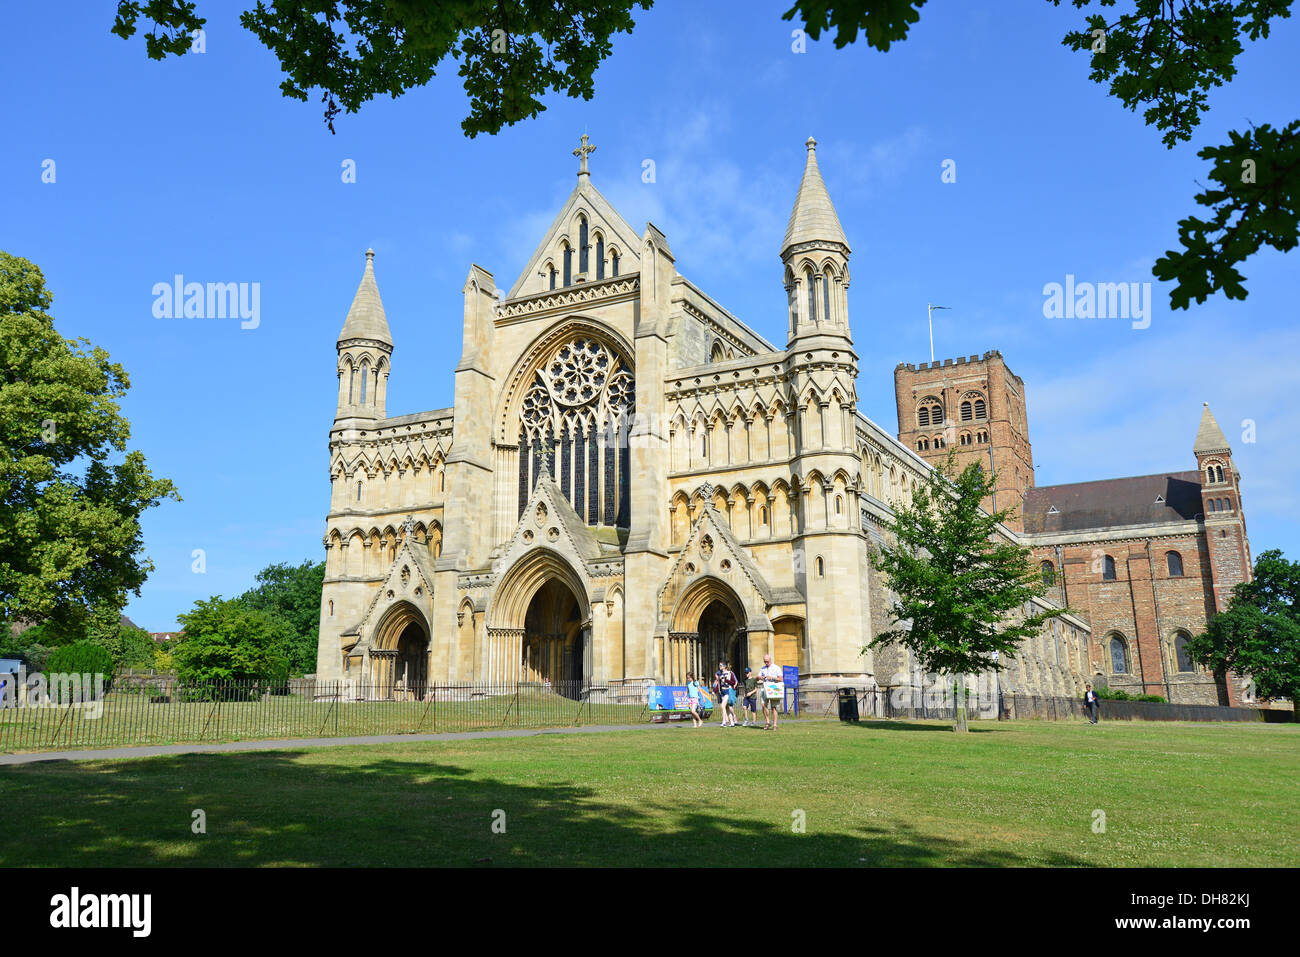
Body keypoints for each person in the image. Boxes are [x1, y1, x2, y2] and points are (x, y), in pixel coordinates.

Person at [758, 653, 783, 730]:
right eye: (764, 661)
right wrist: (760, 677)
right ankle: (768, 722)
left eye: (767, 661)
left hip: (773, 689)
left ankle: (775, 725)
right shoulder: (762, 668)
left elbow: (781, 679)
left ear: (770, 660)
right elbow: (757, 677)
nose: (766, 663)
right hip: (765, 688)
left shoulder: (776, 668)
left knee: (773, 707)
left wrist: (772, 678)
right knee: (763, 705)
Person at [714, 659, 738, 727]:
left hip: (728, 691)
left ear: (724, 666)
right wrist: (715, 690)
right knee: (727, 708)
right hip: (723, 692)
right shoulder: (720, 674)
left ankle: (724, 721)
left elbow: (733, 682)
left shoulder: (730, 673)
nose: (719, 666)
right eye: (719, 665)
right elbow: (719, 683)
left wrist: (726, 680)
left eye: (721, 665)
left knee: (722, 705)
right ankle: (732, 722)